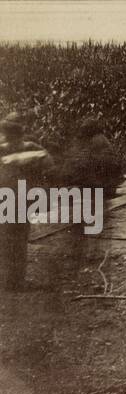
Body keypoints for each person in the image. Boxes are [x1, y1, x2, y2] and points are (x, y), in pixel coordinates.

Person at [0, 113, 50, 290]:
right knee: (17, 240)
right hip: (18, 198)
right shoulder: (30, 148)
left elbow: (47, 161)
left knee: (8, 240)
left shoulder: (23, 148)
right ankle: (14, 280)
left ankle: (9, 280)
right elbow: (49, 163)